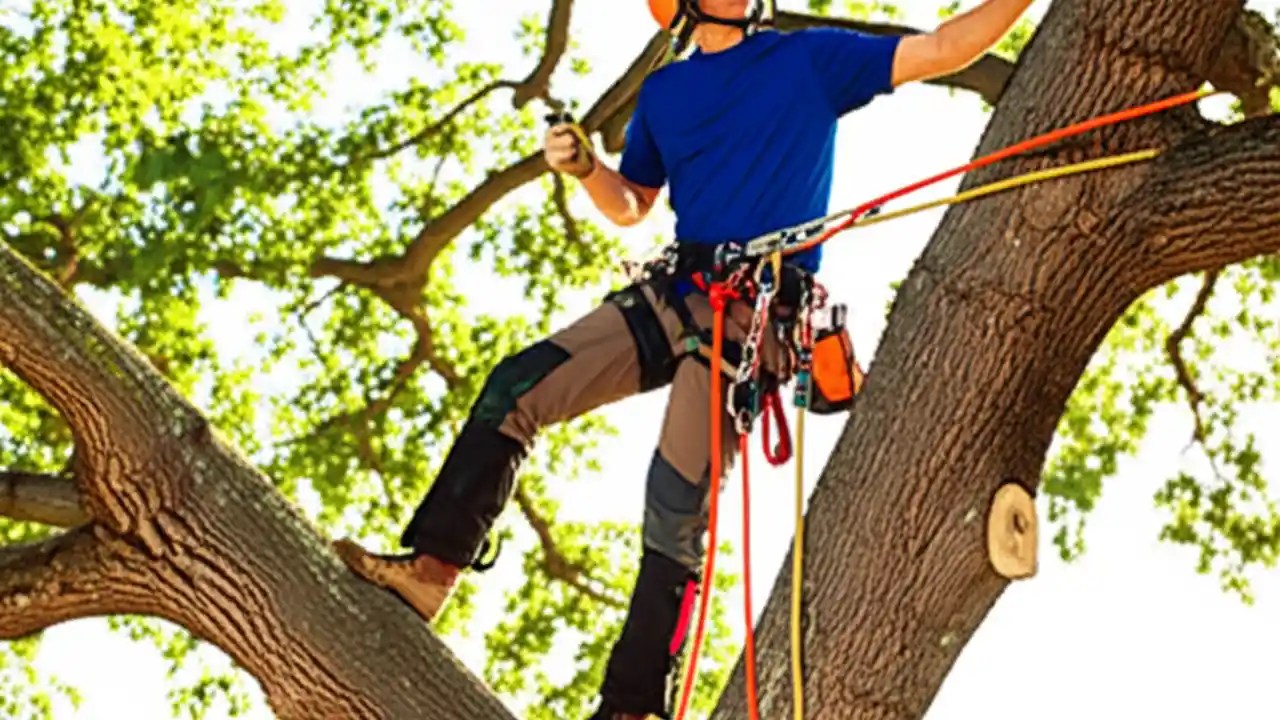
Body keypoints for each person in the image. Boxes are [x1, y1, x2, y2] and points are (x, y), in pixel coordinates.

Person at [334, 0, 1034, 717]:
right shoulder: (667, 92)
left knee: (674, 503)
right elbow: (635, 201)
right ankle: (431, 569)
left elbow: (947, 45)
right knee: (517, 385)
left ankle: (633, 708)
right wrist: (585, 168)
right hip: (675, 291)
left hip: (755, 310)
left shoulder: (808, 59)